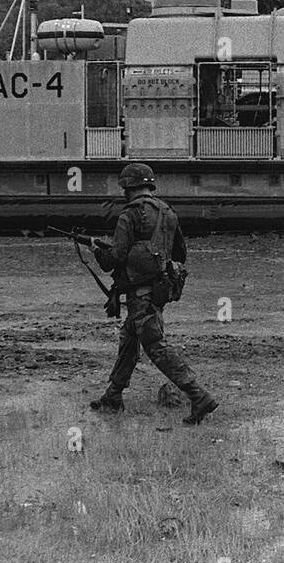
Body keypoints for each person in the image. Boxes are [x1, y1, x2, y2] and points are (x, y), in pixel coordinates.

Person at [89, 163, 219, 425]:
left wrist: (96, 250)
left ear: (128, 187)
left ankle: (199, 395)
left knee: (155, 346)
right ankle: (113, 396)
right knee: (129, 338)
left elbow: (115, 257)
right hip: (158, 289)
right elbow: (180, 254)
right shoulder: (167, 212)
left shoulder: (130, 214)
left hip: (141, 292)